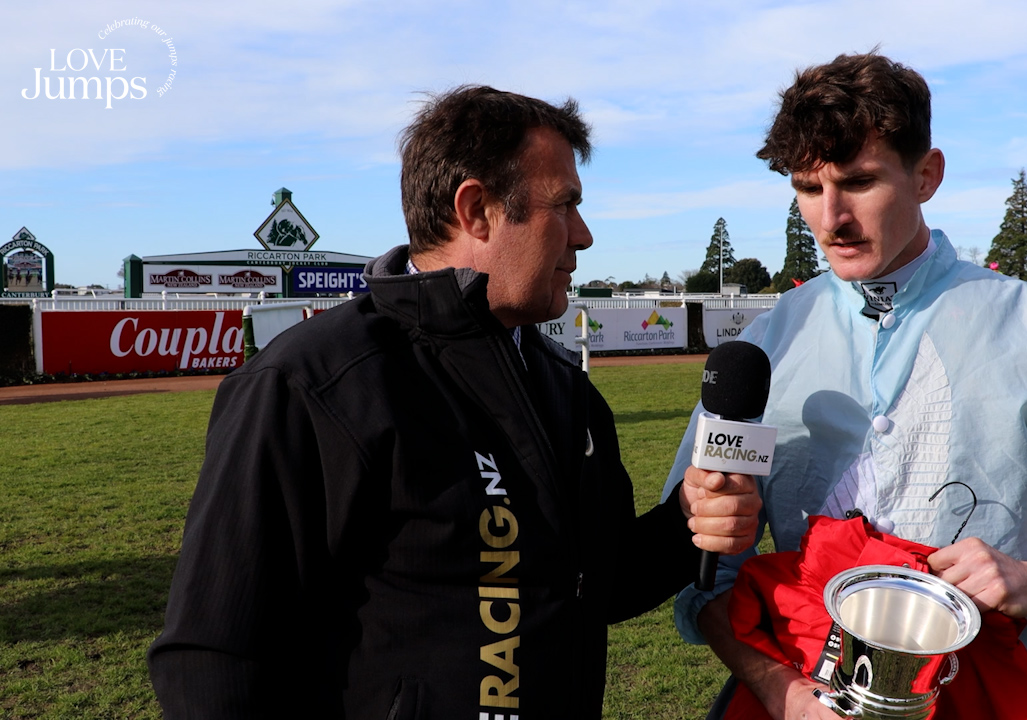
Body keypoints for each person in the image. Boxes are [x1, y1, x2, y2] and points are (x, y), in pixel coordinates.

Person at [148, 86, 762, 719]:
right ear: (478, 211)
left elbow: (589, 585)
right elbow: (211, 660)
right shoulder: (313, 384)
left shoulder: (567, 390)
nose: (584, 235)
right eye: (566, 205)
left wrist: (683, 521)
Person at [661, 53, 1027, 720]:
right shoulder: (762, 347)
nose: (830, 218)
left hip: (1003, 696)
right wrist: (784, 695)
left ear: (927, 175)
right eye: (808, 188)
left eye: (859, 182)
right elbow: (708, 578)